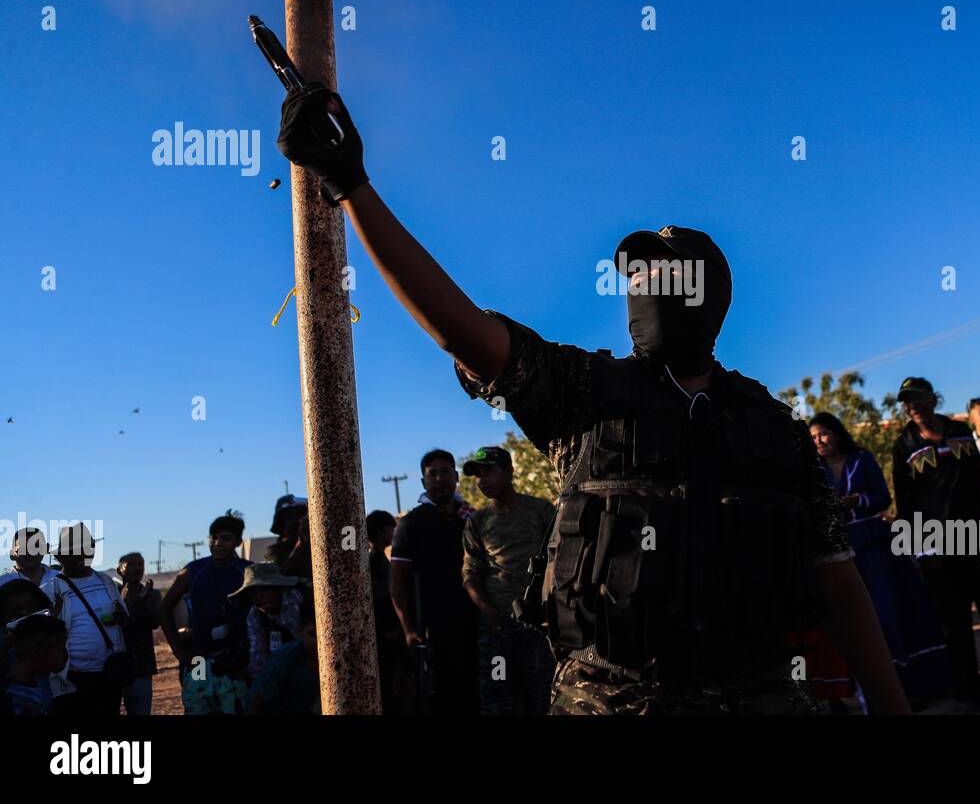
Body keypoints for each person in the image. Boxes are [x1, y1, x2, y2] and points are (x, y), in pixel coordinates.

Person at [275, 85, 911, 714]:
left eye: (664, 274)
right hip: (607, 701)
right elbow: (460, 327)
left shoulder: (774, 427)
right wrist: (351, 185)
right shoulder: (580, 391)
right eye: (637, 276)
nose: (645, 286)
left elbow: (839, 582)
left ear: (709, 295)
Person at [891, 377, 980, 714]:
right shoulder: (904, 443)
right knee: (954, 624)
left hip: (978, 534)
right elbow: (905, 500)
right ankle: (968, 692)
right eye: (907, 402)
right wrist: (916, 551)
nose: (913, 406)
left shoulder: (958, 430)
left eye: (918, 399)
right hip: (937, 545)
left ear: (932, 399)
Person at [809, 411, 951, 709]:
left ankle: (915, 687)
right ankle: (877, 695)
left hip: (875, 545)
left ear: (835, 433)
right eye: (813, 437)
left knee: (892, 613)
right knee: (859, 624)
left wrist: (857, 501)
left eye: (823, 433)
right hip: (842, 551)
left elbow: (883, 498)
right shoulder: (814, 471)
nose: (819, 441)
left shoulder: (862, 459)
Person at [460, 446, 557, 715]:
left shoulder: (541, 511)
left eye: (488, 471)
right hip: (497, 628)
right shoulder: (477, 522)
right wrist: (487, 610)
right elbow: (470, 572)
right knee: (498, 700)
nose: (481, 481)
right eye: (477, 475)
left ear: (509, 471)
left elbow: (560, 560)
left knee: (543, 697)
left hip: (540, 625)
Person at [389, 448, 479, 715]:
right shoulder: (411, 524)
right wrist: (407, 628)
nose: (439, 479)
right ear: (424, 482)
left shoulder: (473, 519)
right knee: (442, 699)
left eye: (445, 472)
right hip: (435, 629)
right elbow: (397, 582)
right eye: (433, 474)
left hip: (476, 626)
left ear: (456, 476)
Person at [159, 511, 254, 714]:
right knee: (200, 708)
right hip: (199, 660)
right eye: (213, 537)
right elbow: (164, 608)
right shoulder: (193, 571)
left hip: (235, 663)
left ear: (238, 541)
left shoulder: (248, 572)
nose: (217, 542)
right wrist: (179, 650)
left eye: (225, 537)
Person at [41, 524, 130, 716]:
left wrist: (120, 617)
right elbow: (41, 633)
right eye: (74, 551)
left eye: (87, 549)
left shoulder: (106, 581)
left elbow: (124, 616)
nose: (82, 555)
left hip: (109, 674)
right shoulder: (50, 590)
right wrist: (52, 619)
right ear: (60, 557)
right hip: (72, 678)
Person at [228, 563, 301, 683]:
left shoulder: (297, 602)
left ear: (277, 587)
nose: (259, 598)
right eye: (253, 593)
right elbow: (257, 654)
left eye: (264, 590)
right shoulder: (255, 615)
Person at [247, 599, 320, 715]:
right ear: (300, 632)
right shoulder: (285, 657)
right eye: (312, 634)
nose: (320, 641)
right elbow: (257, 696)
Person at [365, 510, 403, 712]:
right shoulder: (375, 561)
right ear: (381, 531)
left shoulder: (379, 559)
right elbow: (380, 599)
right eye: (391, 528)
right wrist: (388, 629)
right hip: (383, 636)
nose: (394, 533)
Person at [114, 552, 161, 715]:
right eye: (131, 564)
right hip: (113, 664)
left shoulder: (152, 595)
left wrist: (142, 601)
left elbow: (155, 622)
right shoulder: (111, 594)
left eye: (140, 564)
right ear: (119, 570)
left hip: (141, 664)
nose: (137, 568)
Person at [2, 614, 68, 715]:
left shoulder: (26, 686)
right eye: (60, 649)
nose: (64, 655)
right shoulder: (25, 700)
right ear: (38, 653)